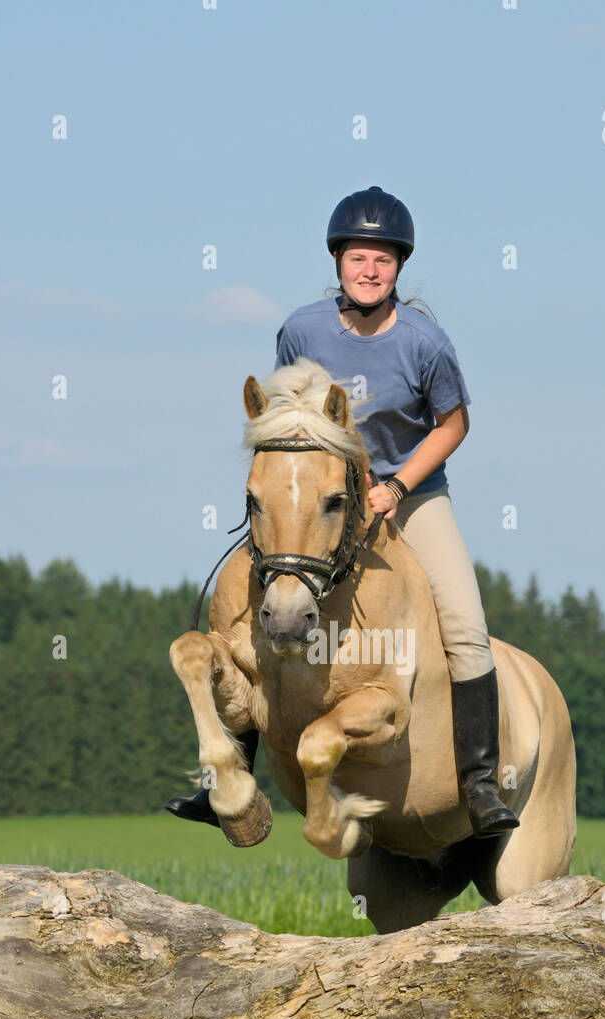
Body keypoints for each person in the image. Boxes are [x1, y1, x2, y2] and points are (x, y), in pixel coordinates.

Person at [166, 184, 518, 838]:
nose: (369, 270)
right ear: (338, 263)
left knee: (467, 625)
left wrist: (399, 486)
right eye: (358, 257)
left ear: (398, 269)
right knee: (246, 615)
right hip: (317, 497)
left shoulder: (424, 342)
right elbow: (282, 421)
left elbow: (453, 423)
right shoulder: (301, 329)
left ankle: (479, 783)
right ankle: (228, 779)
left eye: (382, 260)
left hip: (407, 497)